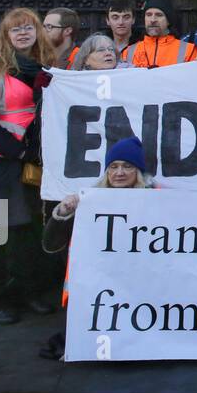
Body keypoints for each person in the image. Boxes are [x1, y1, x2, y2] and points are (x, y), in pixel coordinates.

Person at [0, 8, 58, 324]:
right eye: (15, 29)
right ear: (5, 36)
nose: (22, 33)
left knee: (29, 230)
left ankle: (28, 293)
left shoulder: (46, 67)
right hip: (1, 161)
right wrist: (19, 152)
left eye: (28, 28)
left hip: (36, 158)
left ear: (36, 32)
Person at [40, 136, 155, 360]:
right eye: (113, 167)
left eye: (127, 166)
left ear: (139, 172)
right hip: (98, 291)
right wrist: (63, 213)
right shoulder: (88, 203)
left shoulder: (155, 201)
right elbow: (51, 245)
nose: (119, 172)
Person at [121, 0, 197, 68]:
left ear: (169, 20)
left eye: (159, 15)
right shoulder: (128, 52)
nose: (153, 20)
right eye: (148, 15)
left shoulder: (188, 50)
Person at [105, 0, 138, 65]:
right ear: (107, 21)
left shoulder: (143, 46)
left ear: (133, 19)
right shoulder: (99, 47)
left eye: (126, 17)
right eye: (115, 17)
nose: (121, 22)